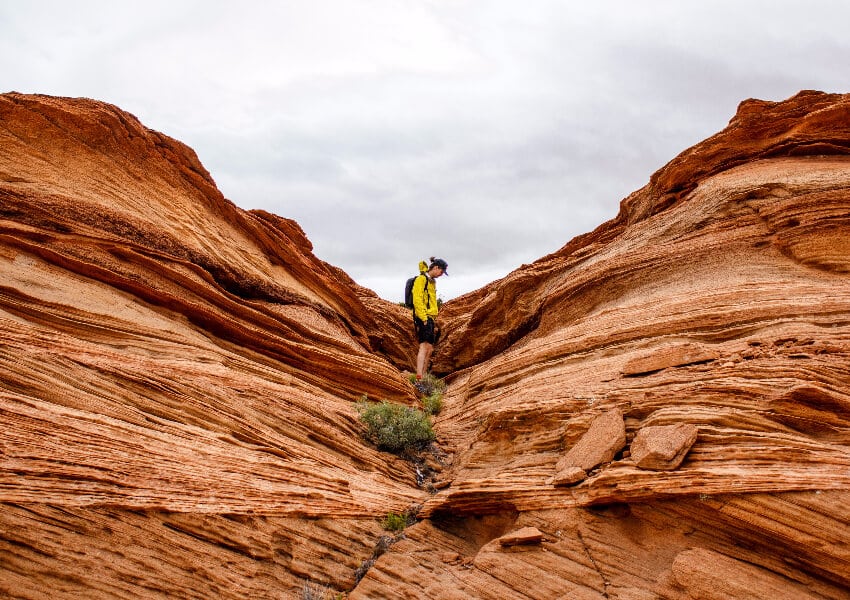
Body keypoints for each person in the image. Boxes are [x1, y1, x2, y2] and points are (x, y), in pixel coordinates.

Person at [411, 256, 448, 380]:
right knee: (424, 346)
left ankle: (423, 376)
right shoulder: (421, 279)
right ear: (436, 267)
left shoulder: (432, 282)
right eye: (441, 272)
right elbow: (417, 299)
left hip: (430, 317)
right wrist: (423, 318)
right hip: (424, 316)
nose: (441, 275)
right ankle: (419, 377)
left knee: (430, 348)